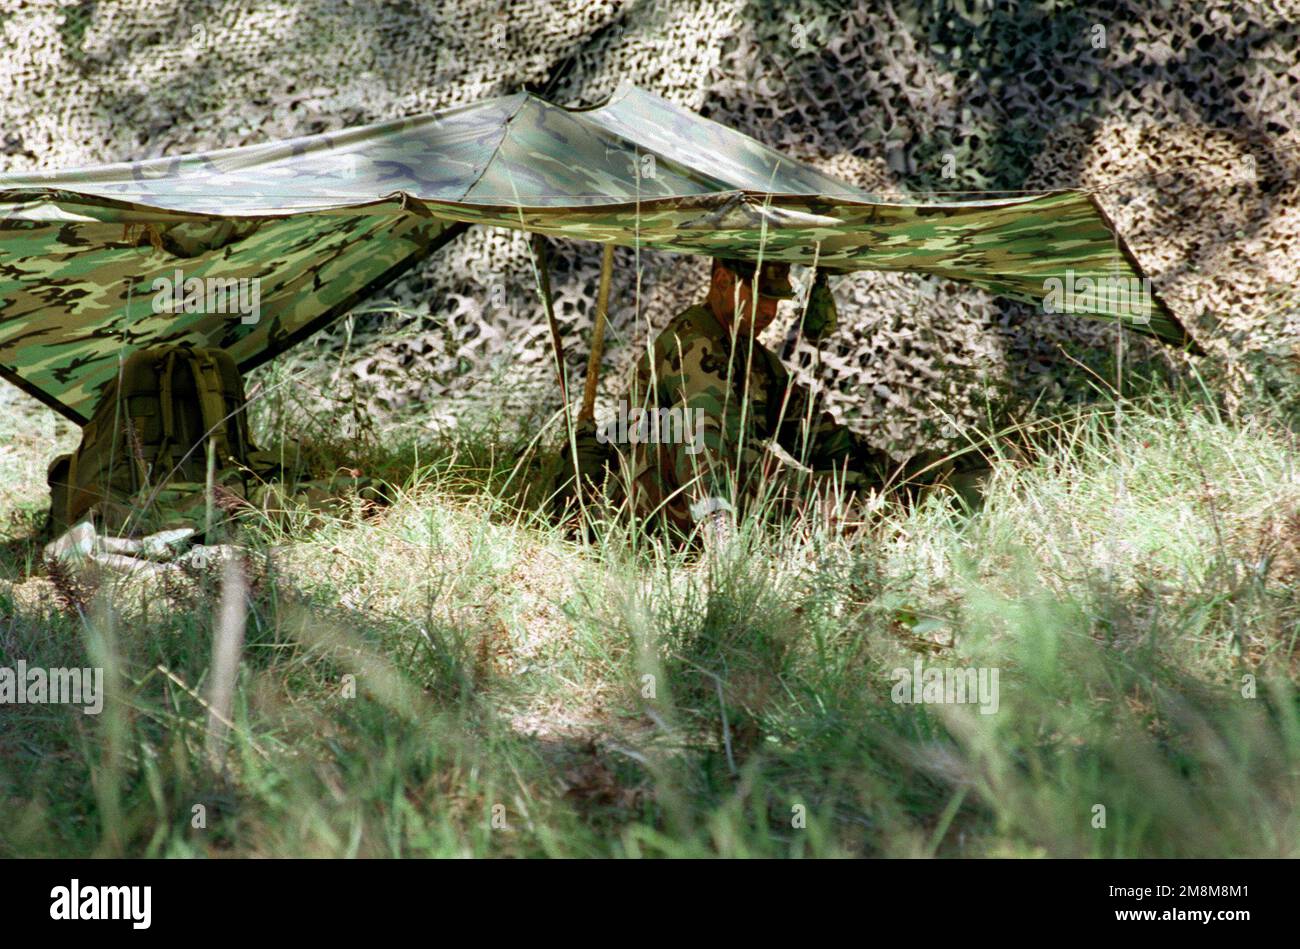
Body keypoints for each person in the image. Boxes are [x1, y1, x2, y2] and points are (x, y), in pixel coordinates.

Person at [556, 257, 952, 537]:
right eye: (761, 294)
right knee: (704, 427)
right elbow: (710, 443)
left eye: (777, 300)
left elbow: (809, 432)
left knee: (868, 494)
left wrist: (889, 471)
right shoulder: (692, 341)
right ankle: (723, 542)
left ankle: (924, 483)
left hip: (729, 487)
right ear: (723, 281)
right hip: (655, 498)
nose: (770, 311)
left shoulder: (757, 359)